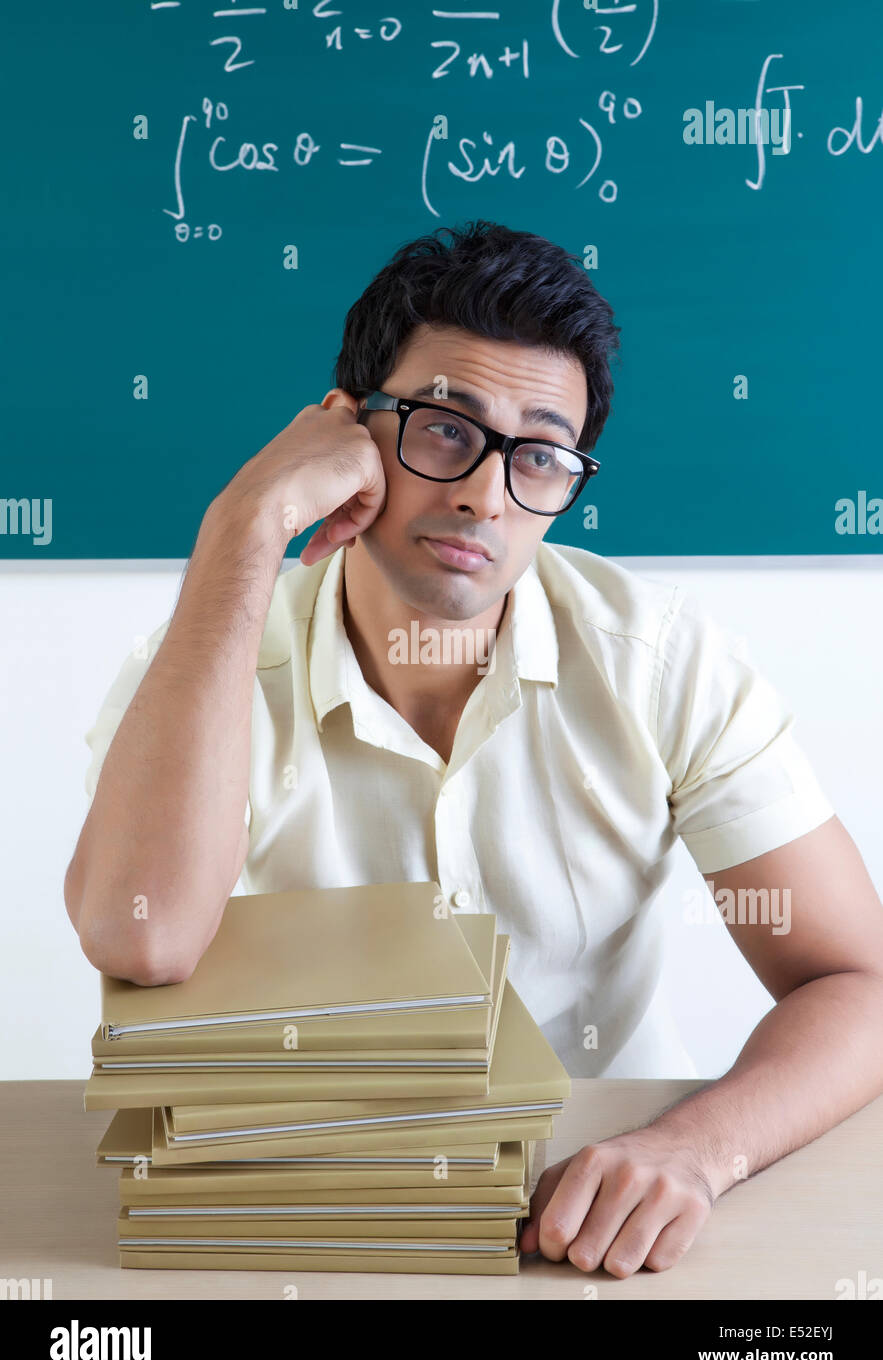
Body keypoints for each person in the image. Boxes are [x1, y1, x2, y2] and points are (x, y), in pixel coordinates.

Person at [64, 220, 883, 1278]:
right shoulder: (204, 670)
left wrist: (690, 1149)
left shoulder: (660, 659)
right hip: (318, 1211)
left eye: (539, 455)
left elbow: (855, 979)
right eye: (445, 428)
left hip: (598, 1214)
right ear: (345, 432)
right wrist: (245, 522)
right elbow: (144, 942)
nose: (484, 495)